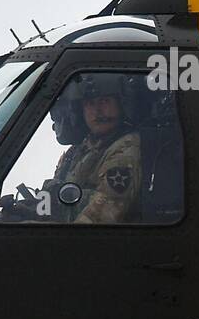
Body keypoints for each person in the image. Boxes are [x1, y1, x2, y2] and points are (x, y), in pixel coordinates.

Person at [50, 76, 142, 224]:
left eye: (105, 101)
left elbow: (101, 217)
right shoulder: (79, 149)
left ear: (121, 104)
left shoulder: (126, 148)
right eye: (90, 104)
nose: (98, 111)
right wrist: (30, 211)